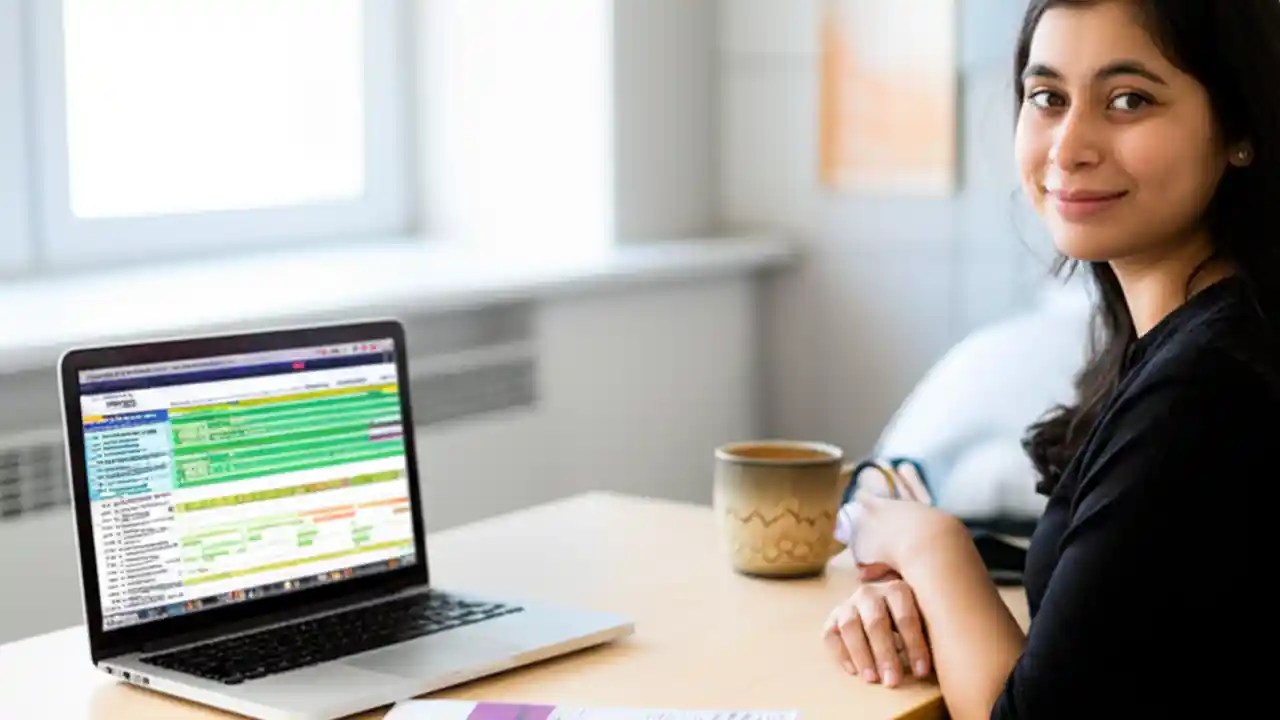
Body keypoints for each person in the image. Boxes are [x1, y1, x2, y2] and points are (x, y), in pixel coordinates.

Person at [820, 1, 1280, 717]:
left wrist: (929, 542)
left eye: (1128, 100)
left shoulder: (1208, 387)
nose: (1068, 147)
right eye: (1048, 98)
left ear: (1240, 127)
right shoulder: (1184, 343)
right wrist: (916, 583)